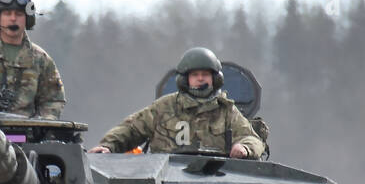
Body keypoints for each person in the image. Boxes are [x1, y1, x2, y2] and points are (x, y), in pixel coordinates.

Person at [88, 47, 266, 158]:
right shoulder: (164, 107)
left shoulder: (226, 110)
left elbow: (252, 138)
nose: (200, 79)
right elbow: (131, 129)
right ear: (184, 79)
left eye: (205, 75)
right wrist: (107, 146)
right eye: (195, 75)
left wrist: (244, 147)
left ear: (215, 79)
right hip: (164, 178)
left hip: (216, 177)